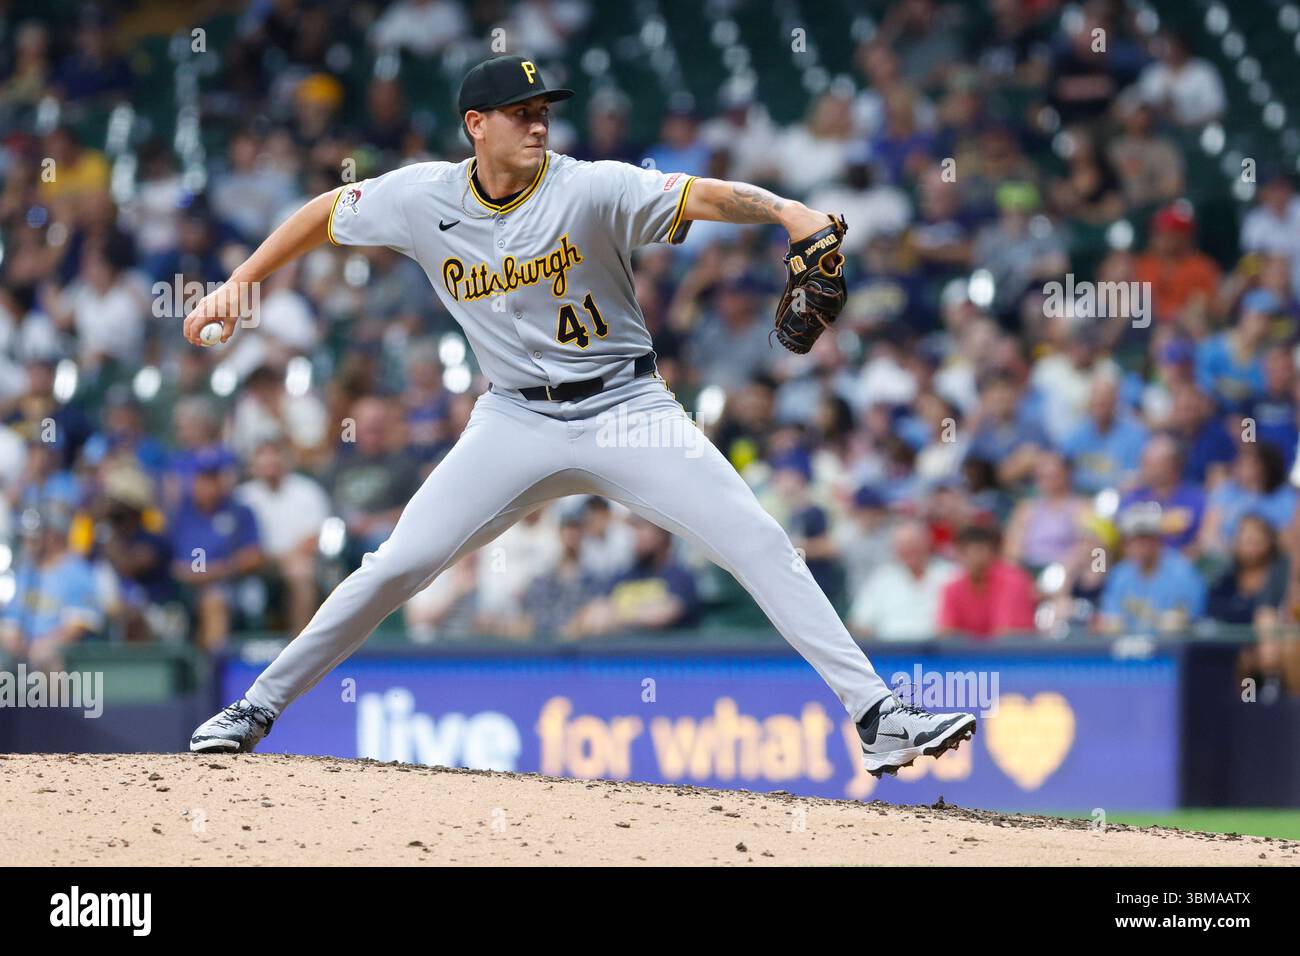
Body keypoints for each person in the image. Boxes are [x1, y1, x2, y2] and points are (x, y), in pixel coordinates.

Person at [184, 55, 976, 776]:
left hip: (626, 407)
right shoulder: (421, 197)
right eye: (520, 111)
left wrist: (790, 213)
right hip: (512, 422)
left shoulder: (590, 185)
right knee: (394, 564)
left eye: (544, 111)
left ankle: (879, 717)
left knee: (760, 540)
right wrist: (237, 283)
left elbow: (700, 194)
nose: (537, 123)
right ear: (476, 126)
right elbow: (324, 211)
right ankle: (258, 705)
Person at [1098, 505, 1207, 635]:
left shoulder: (1183, 573)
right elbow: (1110, 620)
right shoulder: (1120, 574)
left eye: (1147, 538)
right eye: (1134, 539)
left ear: (1158, 540)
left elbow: (1181, 622)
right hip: (1125, 650)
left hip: (1171, 650)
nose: (1141, 545)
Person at [847, 520, 954, 641]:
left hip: (940, 653)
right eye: (902, 545)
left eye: (913, 543)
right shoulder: (882, 578)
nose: (908, 549)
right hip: (891, 652)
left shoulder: (949, 575)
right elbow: (859, 622)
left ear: (927, 543)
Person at [937, 524, 1037, 639]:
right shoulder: (952, 588)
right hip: (967, 655)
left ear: (993, 553)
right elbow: (946, 633)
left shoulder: (1014, 581)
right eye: (965, 552)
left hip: (1010, 655)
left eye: (979, 550)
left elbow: (1009, 635)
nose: (974, 558)